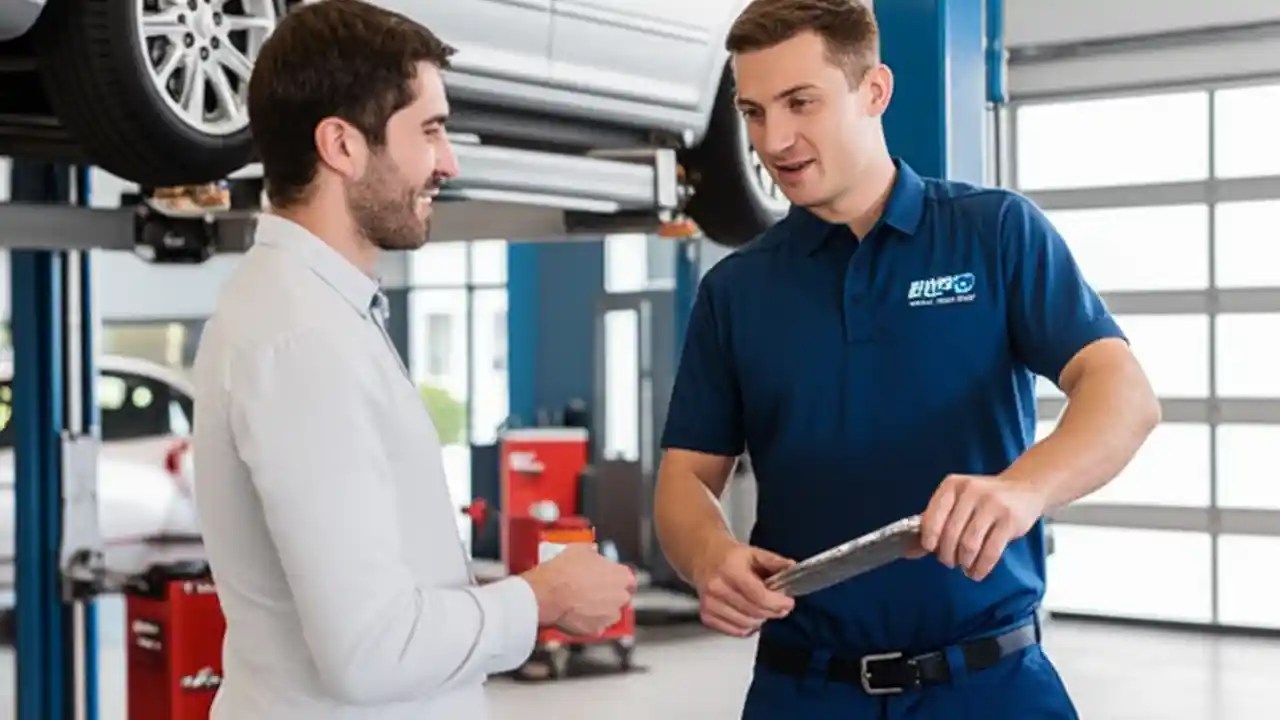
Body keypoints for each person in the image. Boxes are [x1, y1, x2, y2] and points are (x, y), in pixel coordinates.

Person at [652, 1, 1161, 718]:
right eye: (754, 111)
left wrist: (1024, 489)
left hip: (992, 683)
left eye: (801, 103)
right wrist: (709, 555)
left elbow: (1123, 392)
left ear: (875, 91)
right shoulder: (734, 291)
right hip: (804, 689)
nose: (775, 139)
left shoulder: (995, 234)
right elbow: (684, 481)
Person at [190, 1, 636, 717]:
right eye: (430, 130)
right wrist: (543, 597)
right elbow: (371, 651)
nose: (448, 162)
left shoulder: (317, 312)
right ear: (342, 145)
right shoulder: (303, 340)